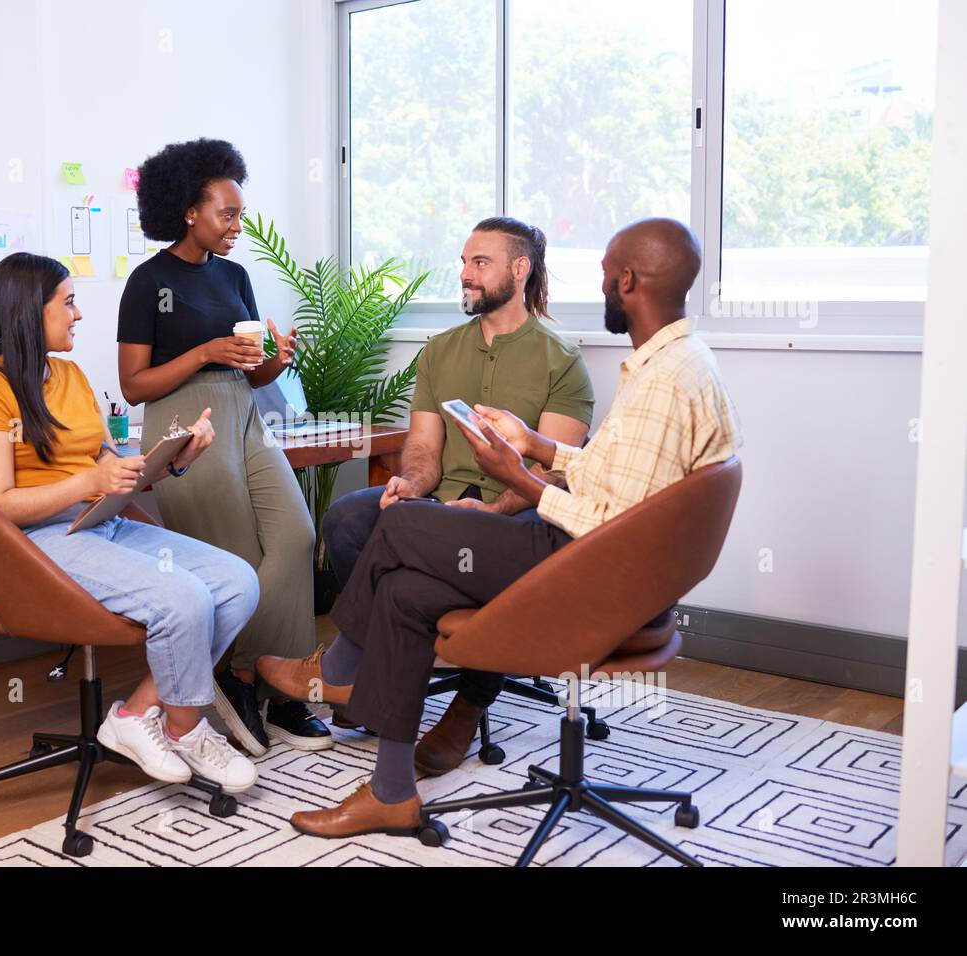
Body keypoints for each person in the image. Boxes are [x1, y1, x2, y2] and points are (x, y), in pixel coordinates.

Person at [258, 218, 743, 837]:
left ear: (627, 280)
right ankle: (392, 793)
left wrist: (515, 476)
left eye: (603, 272)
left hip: (591, 572)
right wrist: (537, 446)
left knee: (402, 528)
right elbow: (611, 480)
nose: (598, 283)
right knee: (405, 587)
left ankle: (345, 669)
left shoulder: (659, 380)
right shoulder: (680, 362)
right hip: (604, 561)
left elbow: (606, 520)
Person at [0, 251, 260, 794]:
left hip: (101, 522)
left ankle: (137, 713)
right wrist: (86, 485)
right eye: (68, 303)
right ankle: (186, 726)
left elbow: (110, 465)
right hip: (39, 543)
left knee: (237, 583)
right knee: (184, 599)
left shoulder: (68, 374)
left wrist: (178, 456)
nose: (79, 315)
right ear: (28, 312)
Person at [321, 217, 594, 774]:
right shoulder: (440, 351)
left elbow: (555, 475)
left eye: (480, 263)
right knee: (349, 518)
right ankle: (390, 673)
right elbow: (423, 446)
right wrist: (411, 484)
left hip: (513, 514)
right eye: (464, 262)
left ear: (520, 270)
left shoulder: (562, 362)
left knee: (472, 546)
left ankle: (469, 700)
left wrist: (492, 511)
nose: (465, 275)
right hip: (440, 505)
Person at [116, 138, 331, 757]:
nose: (239, 225)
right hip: (185, 423)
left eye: (240, 214)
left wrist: (272, 360)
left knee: (295, 536)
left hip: (245, 416)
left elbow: (254, 371)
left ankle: (277, 675)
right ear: (189, 211)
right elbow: (134, 386)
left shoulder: (235, 276)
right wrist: (207, 352)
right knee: (233, 553)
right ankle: (233, 681)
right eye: (227, 214)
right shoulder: (148, 281)